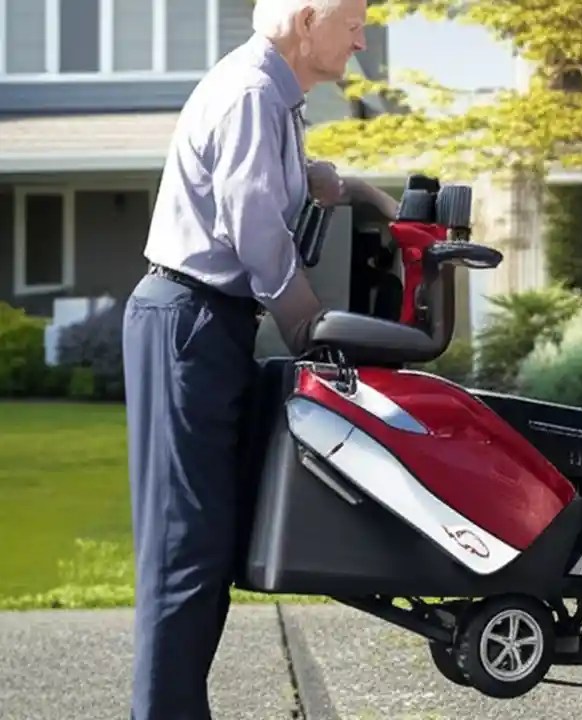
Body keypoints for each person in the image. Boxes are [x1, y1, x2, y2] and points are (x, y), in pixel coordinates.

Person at [121, 1, 397, 717]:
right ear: (307, 21)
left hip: (206, 325)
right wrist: (312, 326)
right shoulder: (250, 93)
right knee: (186, 552)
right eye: (354, 21)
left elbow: (286, 179)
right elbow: (255, 229)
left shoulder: (274, 97)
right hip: (186, 323)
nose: (363, 37)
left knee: (208, 548)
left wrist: (357, 192)